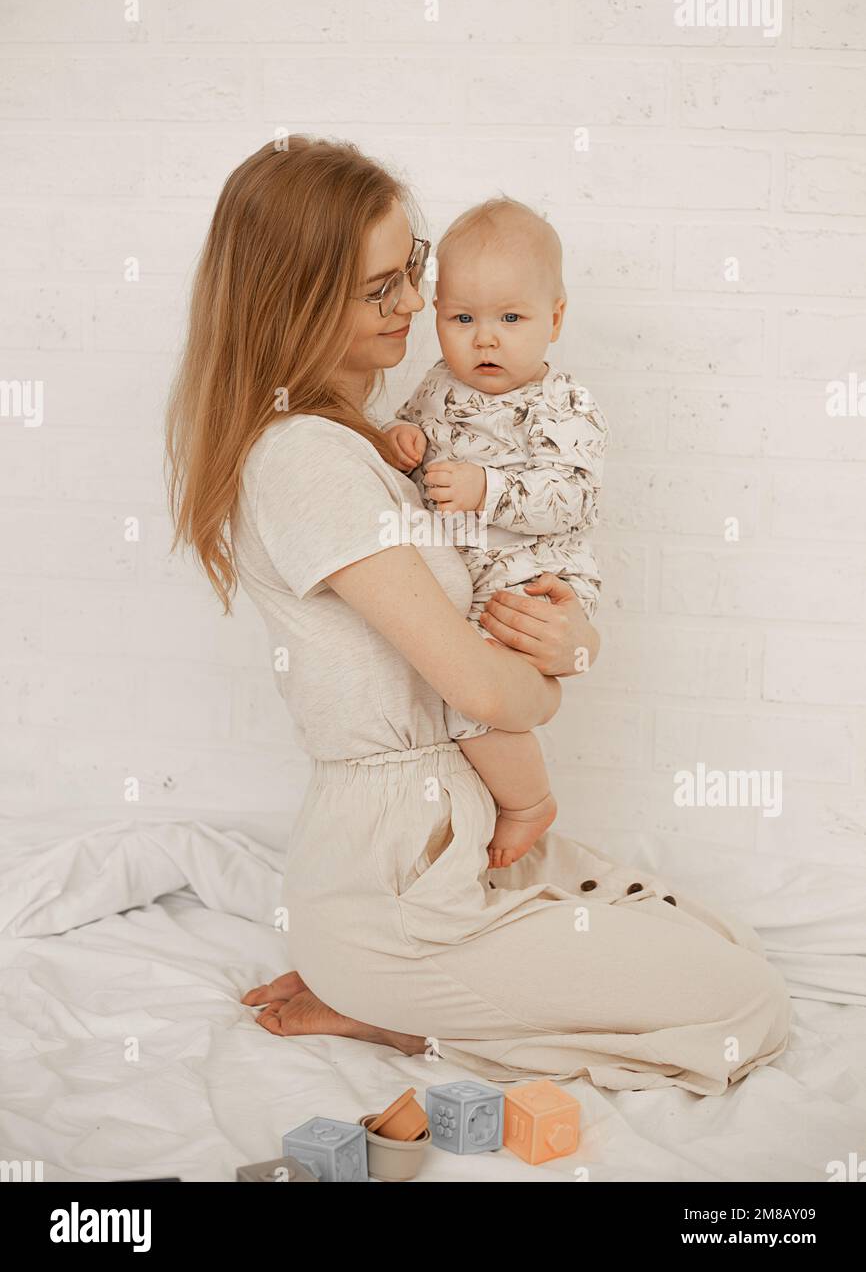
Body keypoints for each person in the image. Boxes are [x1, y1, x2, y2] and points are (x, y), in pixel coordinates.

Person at [165, 135, 790, 1094]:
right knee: (746, 1007)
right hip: (400, 887)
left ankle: (404, 1001)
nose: (416, 306)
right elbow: (472, 682)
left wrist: (572, 638)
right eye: (384, 288)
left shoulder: (376, 444)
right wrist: (546, 685)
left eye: (409, 272)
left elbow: (505, 595)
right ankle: (406, 1011)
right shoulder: (304, 460)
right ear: (297, 298)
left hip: (453, 844)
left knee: (710, 934)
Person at [383, 195, 610, 868]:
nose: (485, 338)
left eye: (511, 318)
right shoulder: (436, 385)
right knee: (447, 695)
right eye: (462, 318)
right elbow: (416, 441)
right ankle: (476, 820)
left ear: (555, 318)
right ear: (437, 312)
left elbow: (576, 496)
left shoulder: (562, 403)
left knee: (470, 699)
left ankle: (529, 802)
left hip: (534, 582)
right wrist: (401, 439)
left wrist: (490, 489)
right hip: (467, 582)